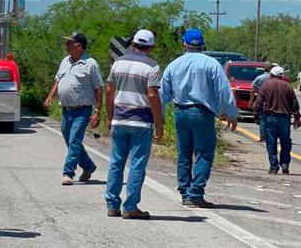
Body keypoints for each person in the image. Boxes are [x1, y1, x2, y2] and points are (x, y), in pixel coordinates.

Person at [160, 28, 237, 208]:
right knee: (203, 153)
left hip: (181, 112)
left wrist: (160, 117)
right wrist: (232, 113)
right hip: (202, 113)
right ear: (203, 45)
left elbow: (163, 94)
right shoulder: (211, 64)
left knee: (184, 153)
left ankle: (185, 192)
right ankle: (196, 193)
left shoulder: (174, 65)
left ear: (184, 44)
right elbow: (224, 91)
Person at [104, 30, 163, 220]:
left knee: (116, 162)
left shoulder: (118, 63)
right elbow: (153, 96)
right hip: (141, 122)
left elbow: (109, 91)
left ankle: (112, 205)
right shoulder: (152, 67)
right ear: (151, 47)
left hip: (119, 119)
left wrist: (109, 116)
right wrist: (159, 123)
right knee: (137, 164)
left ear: (133, 44)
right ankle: (130, 206)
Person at [43, 32, 103, 185]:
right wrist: (50, 96)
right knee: (70, 141)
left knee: (74, 140)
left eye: (69, 42)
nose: (66, 45)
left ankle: (68, 172)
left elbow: (98, 88)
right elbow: (58, 80)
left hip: (82, 110)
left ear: (79, 46)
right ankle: (88, 166)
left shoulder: (91, 64)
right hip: (66, 109)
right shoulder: (65, 61)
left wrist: (97, 111)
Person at [254, 65, 301, 174]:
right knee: (285, 142)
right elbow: (294, 104)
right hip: (285, 118)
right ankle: (285, 164)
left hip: (270, 118)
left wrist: (256, 116)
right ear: (281, 76)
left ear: (271, 74)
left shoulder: (266, 85)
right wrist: (297, 118)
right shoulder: (288, 86)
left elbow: (259, 103)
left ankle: (274, 166)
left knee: (271, 142)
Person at [249, 64, 278, 143]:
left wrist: (251, 101)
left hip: (262, 101)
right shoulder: (275, 79)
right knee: (273, 119)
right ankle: (272, 136)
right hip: (274, 101)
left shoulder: (259, 78)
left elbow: (253, 90)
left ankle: (263, 137)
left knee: (263, 119)